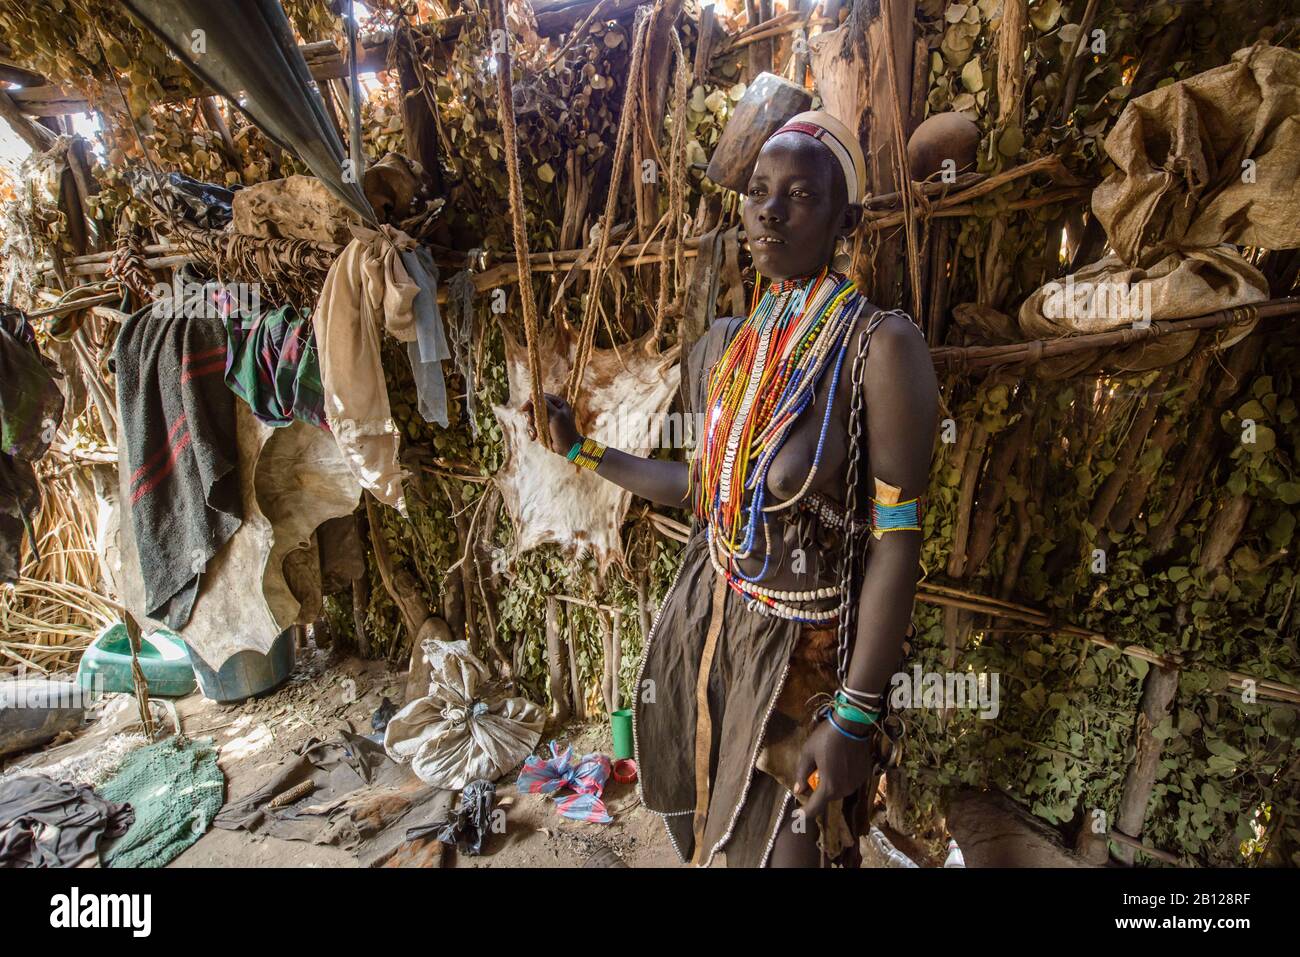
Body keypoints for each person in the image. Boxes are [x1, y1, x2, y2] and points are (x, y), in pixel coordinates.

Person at [524, 111, 939, 867]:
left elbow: (898, 541)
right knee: (717, 832)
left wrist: (853, 715)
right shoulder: (729, 347)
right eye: (757, 191)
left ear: (845, 219)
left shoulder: (880, 347)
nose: (770, 210)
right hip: (712, 633)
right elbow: (699, 488)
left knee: (793, 849)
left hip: (807, 657)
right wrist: (582, 450)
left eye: (800, 195)